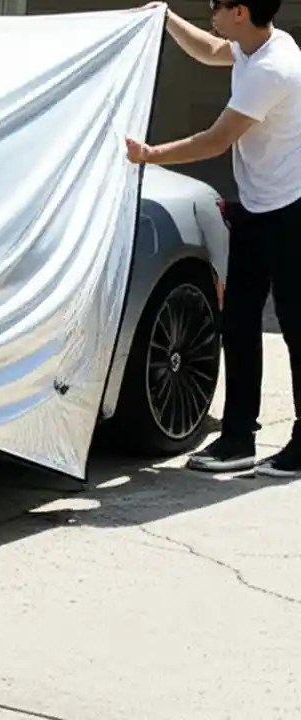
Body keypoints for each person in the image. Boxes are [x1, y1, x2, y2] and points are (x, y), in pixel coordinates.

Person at [125, 0, 301, 476]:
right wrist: (164, 18)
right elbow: (208, 50)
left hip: (291, 213)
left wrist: (150, 154)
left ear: (239, 11)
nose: (210, 11)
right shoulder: (251, 46)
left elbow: (216, 140)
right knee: (239, 321)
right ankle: (237, 439)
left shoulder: (273, 67)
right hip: (258, 207)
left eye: (216, 5)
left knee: (296, 326)